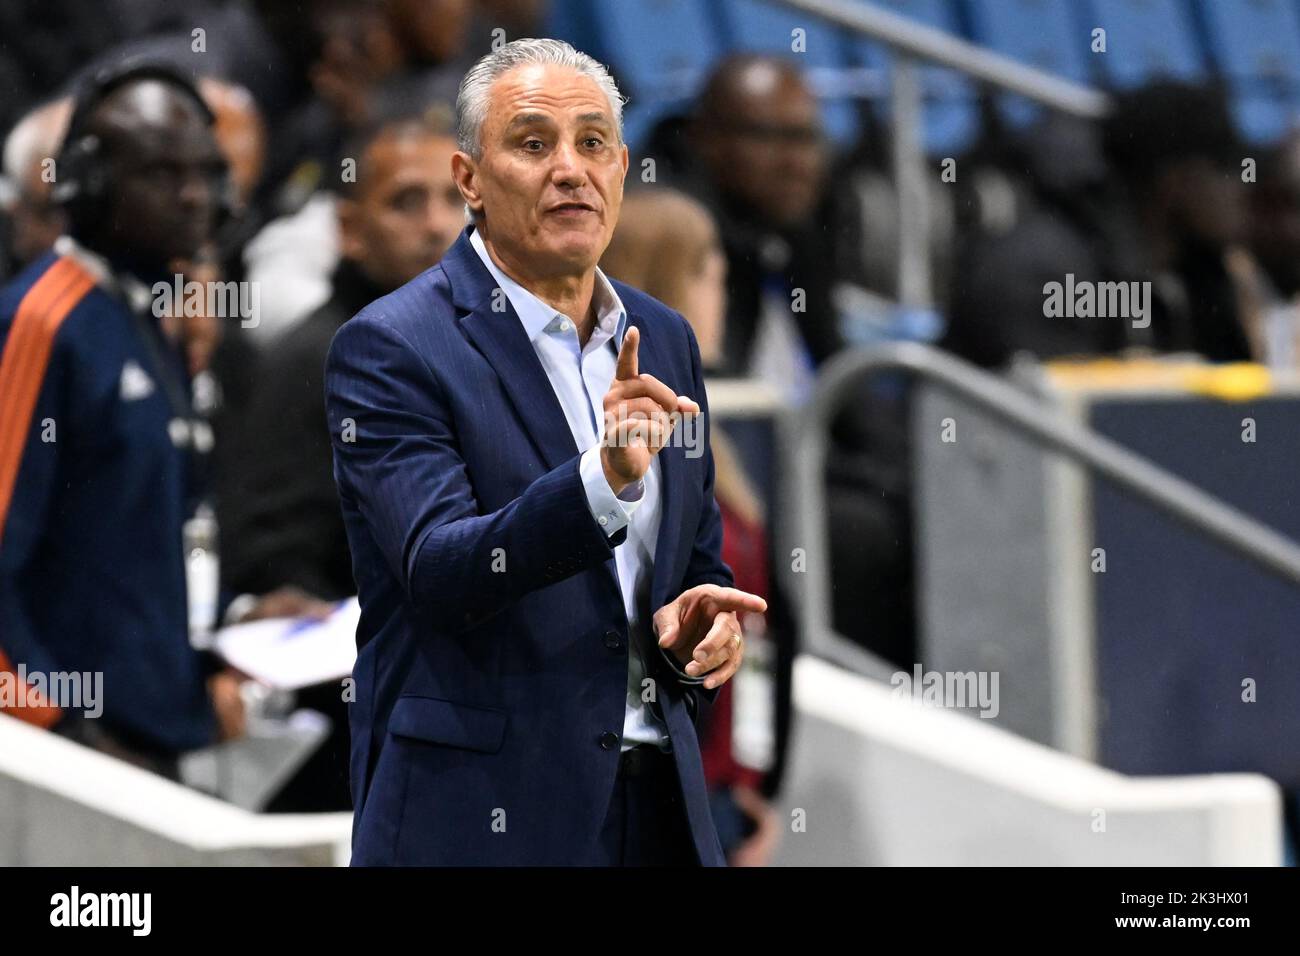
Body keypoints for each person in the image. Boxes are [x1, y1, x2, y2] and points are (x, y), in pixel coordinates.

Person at [325, 38, 766, 866]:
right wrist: (599, 484)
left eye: (593, 143)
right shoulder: (392, 346)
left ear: (623, 168)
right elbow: (441, 569)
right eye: (533, 144)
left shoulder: (663, 337)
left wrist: (701, 623)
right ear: (469, 181)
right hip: (483, 817)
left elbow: (692, 558)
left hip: (659, 806)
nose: (571, 168)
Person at [0, 60, 310, 778]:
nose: (195, 196)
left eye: (206, 172)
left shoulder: (153, 320)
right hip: (75, 760)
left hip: (162, 740)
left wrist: (237, 619)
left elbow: (133, 539)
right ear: (88, 183)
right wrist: (55, 729)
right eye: (162, 175)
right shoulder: (44, 321)